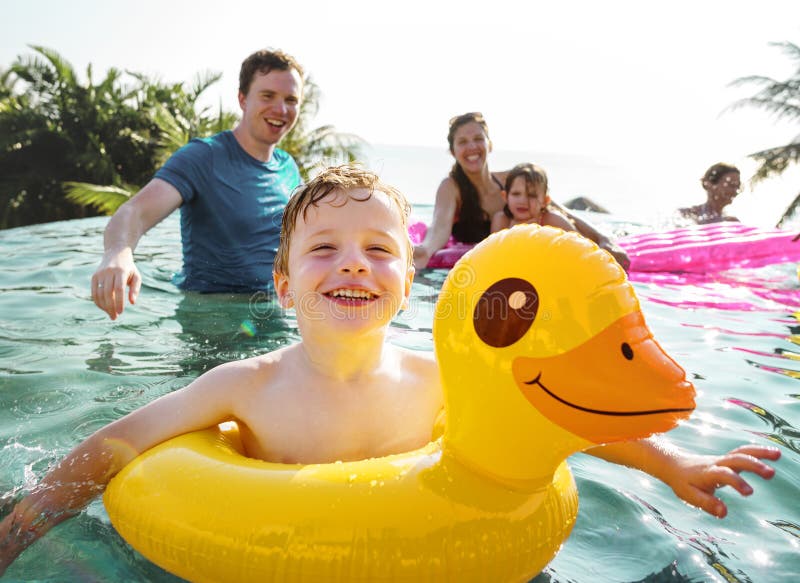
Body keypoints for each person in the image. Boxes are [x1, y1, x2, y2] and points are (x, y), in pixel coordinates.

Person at [0, 166, 780, 575]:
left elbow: (555, 420)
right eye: (324, 249)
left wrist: (675, 462)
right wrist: (33, 516)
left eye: (380, 250)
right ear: (283, 285)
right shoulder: (246, 385)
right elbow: (121, 441)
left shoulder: (439, 377)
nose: (355, 265)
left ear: (409, 282)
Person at [91, 48, 305, 321]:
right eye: (267, 96)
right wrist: (117, 253)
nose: (281, 109)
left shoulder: (289, 168)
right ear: (242, 99)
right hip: (212, 320)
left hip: (274, 314)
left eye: (291, 99)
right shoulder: (203, 157)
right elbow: (135, 211)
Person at [413, 112, 630, 271]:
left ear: (489, 145)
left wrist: (604, 239)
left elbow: (556, 209)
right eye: (462, 142)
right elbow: (439, 228)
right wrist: (423, 251)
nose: (472, 147)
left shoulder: (511, 181)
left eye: (478, 139)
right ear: (453, 151)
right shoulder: (451, 187)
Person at [490, 162, 577, 233]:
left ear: (545, 201)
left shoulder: (552, 220)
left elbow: (581, 247)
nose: (522, 201)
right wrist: (513, 232)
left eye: (532, 195)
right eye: (516, 194)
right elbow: (491, 252)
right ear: (505, 197)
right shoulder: (501, 220)